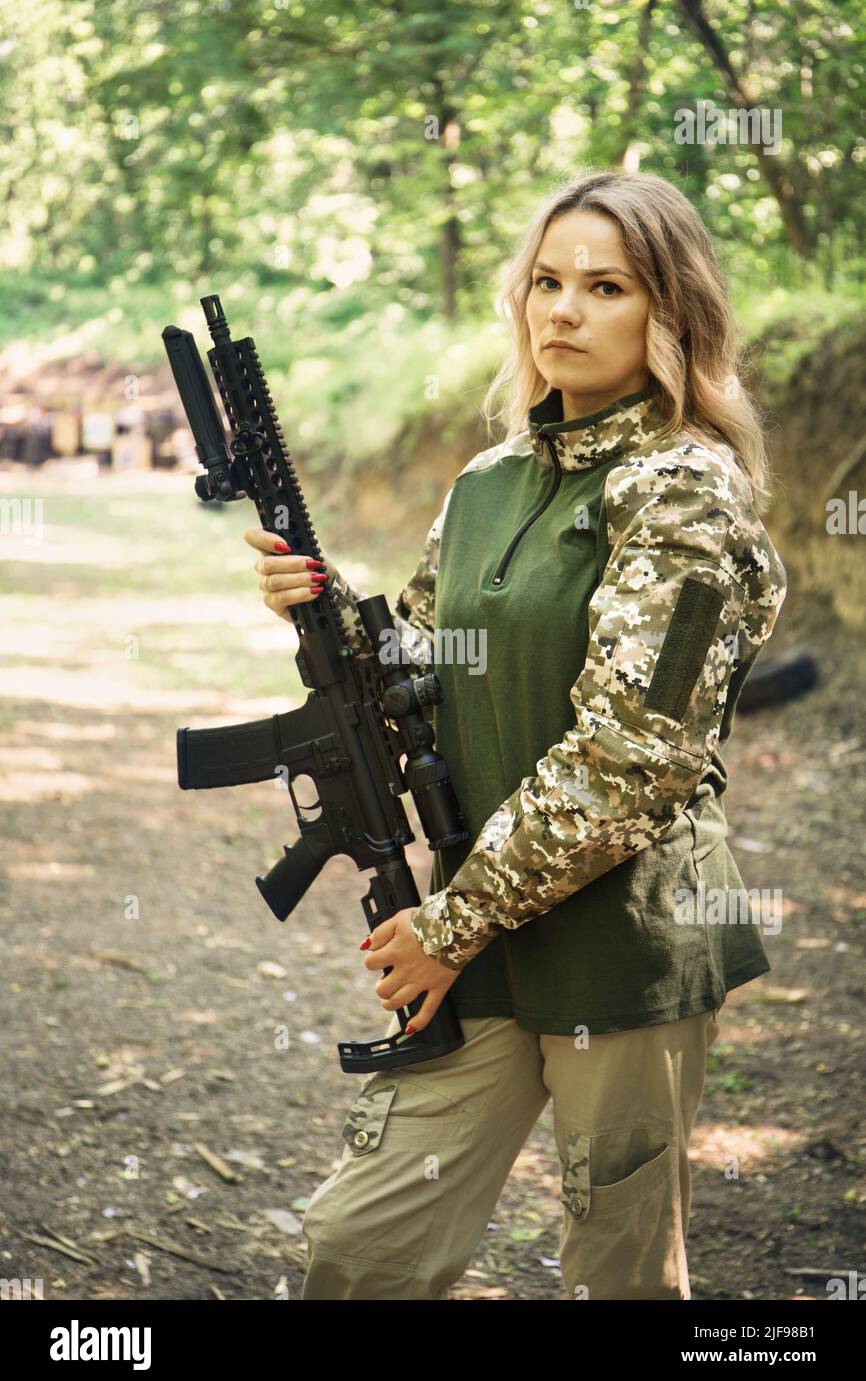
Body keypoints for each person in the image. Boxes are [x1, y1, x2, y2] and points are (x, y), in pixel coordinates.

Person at [243, 169, 787, 1300]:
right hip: (480, 939)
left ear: (668, 314)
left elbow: (630, 758)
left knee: (616, 1275)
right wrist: (324, 606)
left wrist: (449, 921)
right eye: (545, 281)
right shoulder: (490, 483)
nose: (562, 312)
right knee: (360, 1248)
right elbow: (416, 661)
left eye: (604, 286)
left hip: (620, 948)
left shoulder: (684, 491)